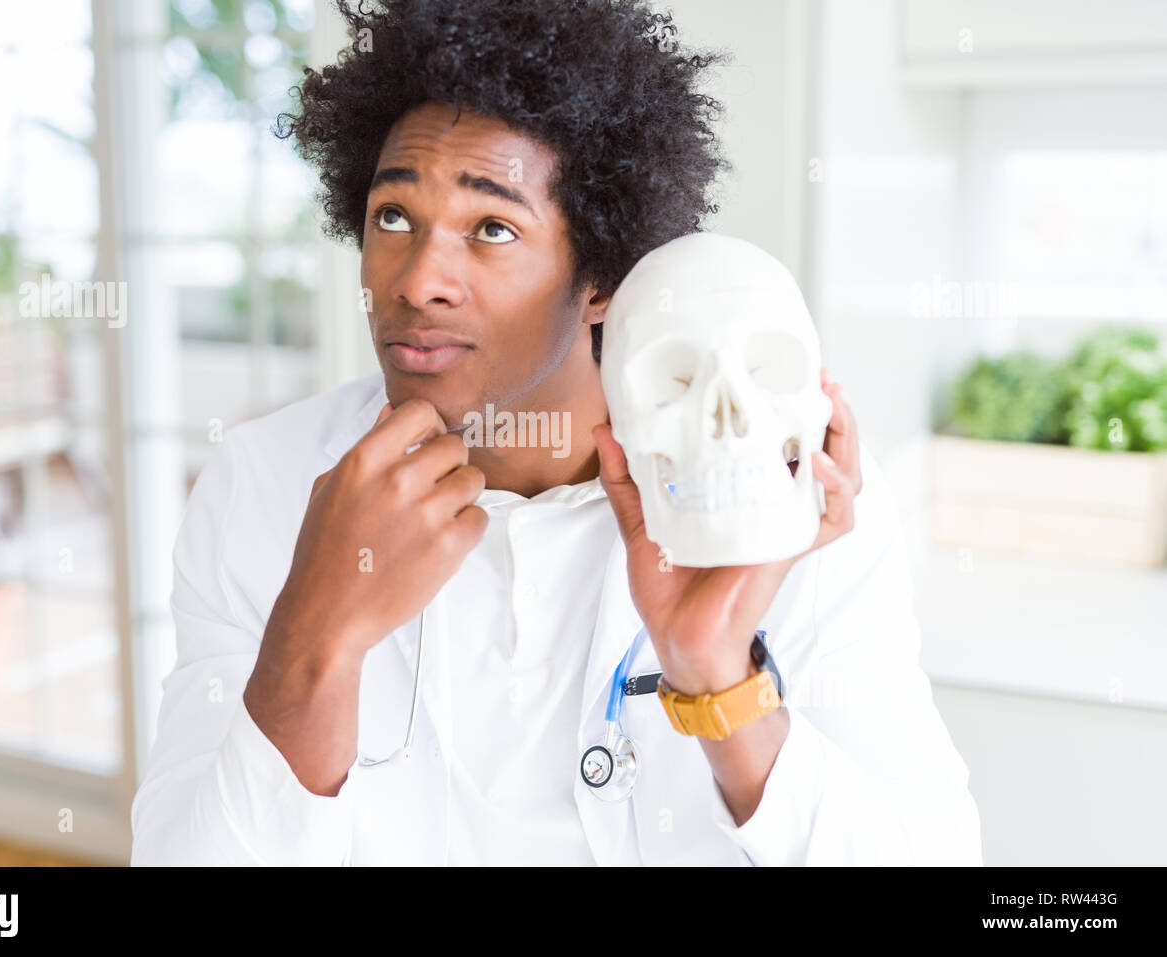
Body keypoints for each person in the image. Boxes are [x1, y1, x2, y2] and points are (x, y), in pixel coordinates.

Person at [130, 0, 982, 866]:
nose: (420, 279)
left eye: (492, 228)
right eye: (393, 217)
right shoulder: (264, 483)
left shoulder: (786, 493)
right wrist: (312, 638)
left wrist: (720, 675)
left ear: (603, 275)